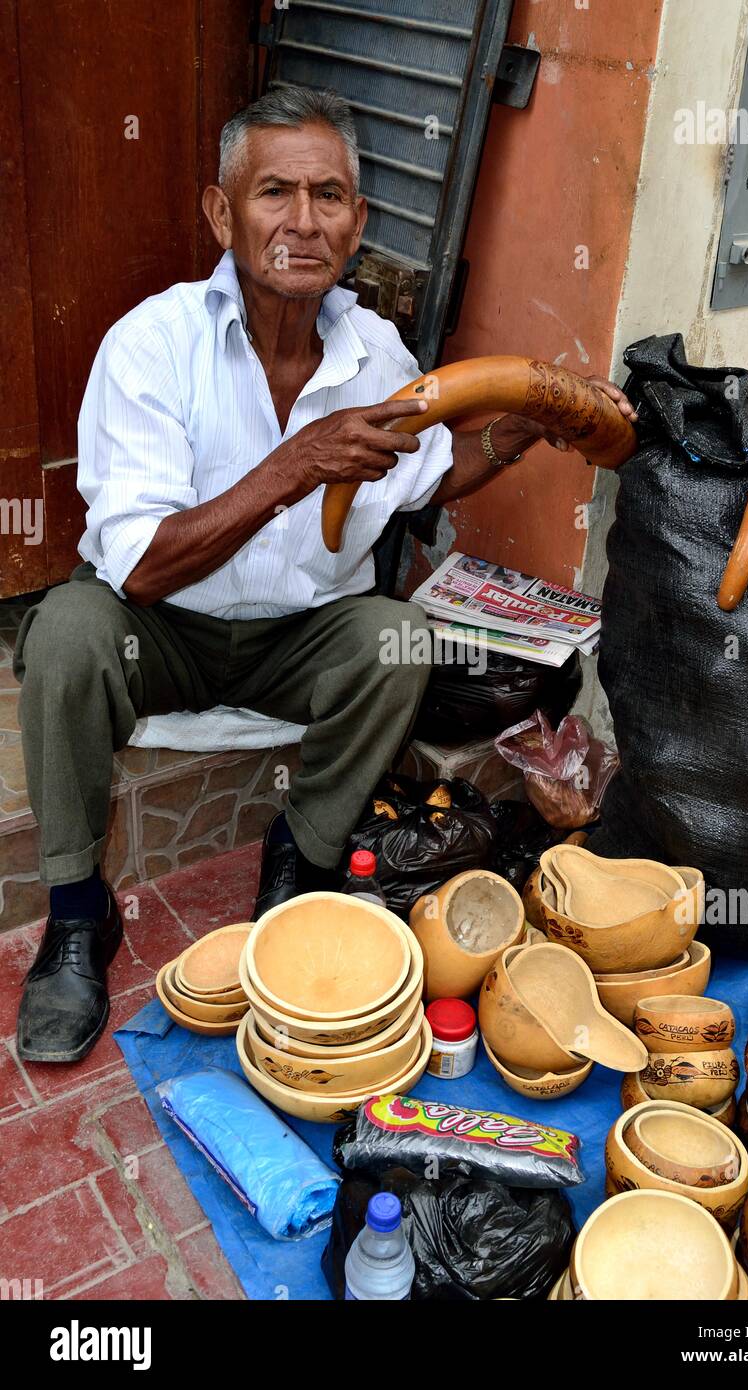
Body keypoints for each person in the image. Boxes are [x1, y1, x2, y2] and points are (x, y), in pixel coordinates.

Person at [12, 85, 636, 1063]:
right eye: (274, 193)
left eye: (330, 197)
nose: (303, 222)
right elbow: (136, 566)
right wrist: (293, 465)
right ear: (221, 213)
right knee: (64, 630)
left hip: (295, 643)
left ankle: (297, 860)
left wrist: (512, 434)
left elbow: (431, 472)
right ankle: (80, 914)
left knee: (394, 640)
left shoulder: (375, 353)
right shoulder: (151, 347)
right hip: (161, 631)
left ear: (357, 223)